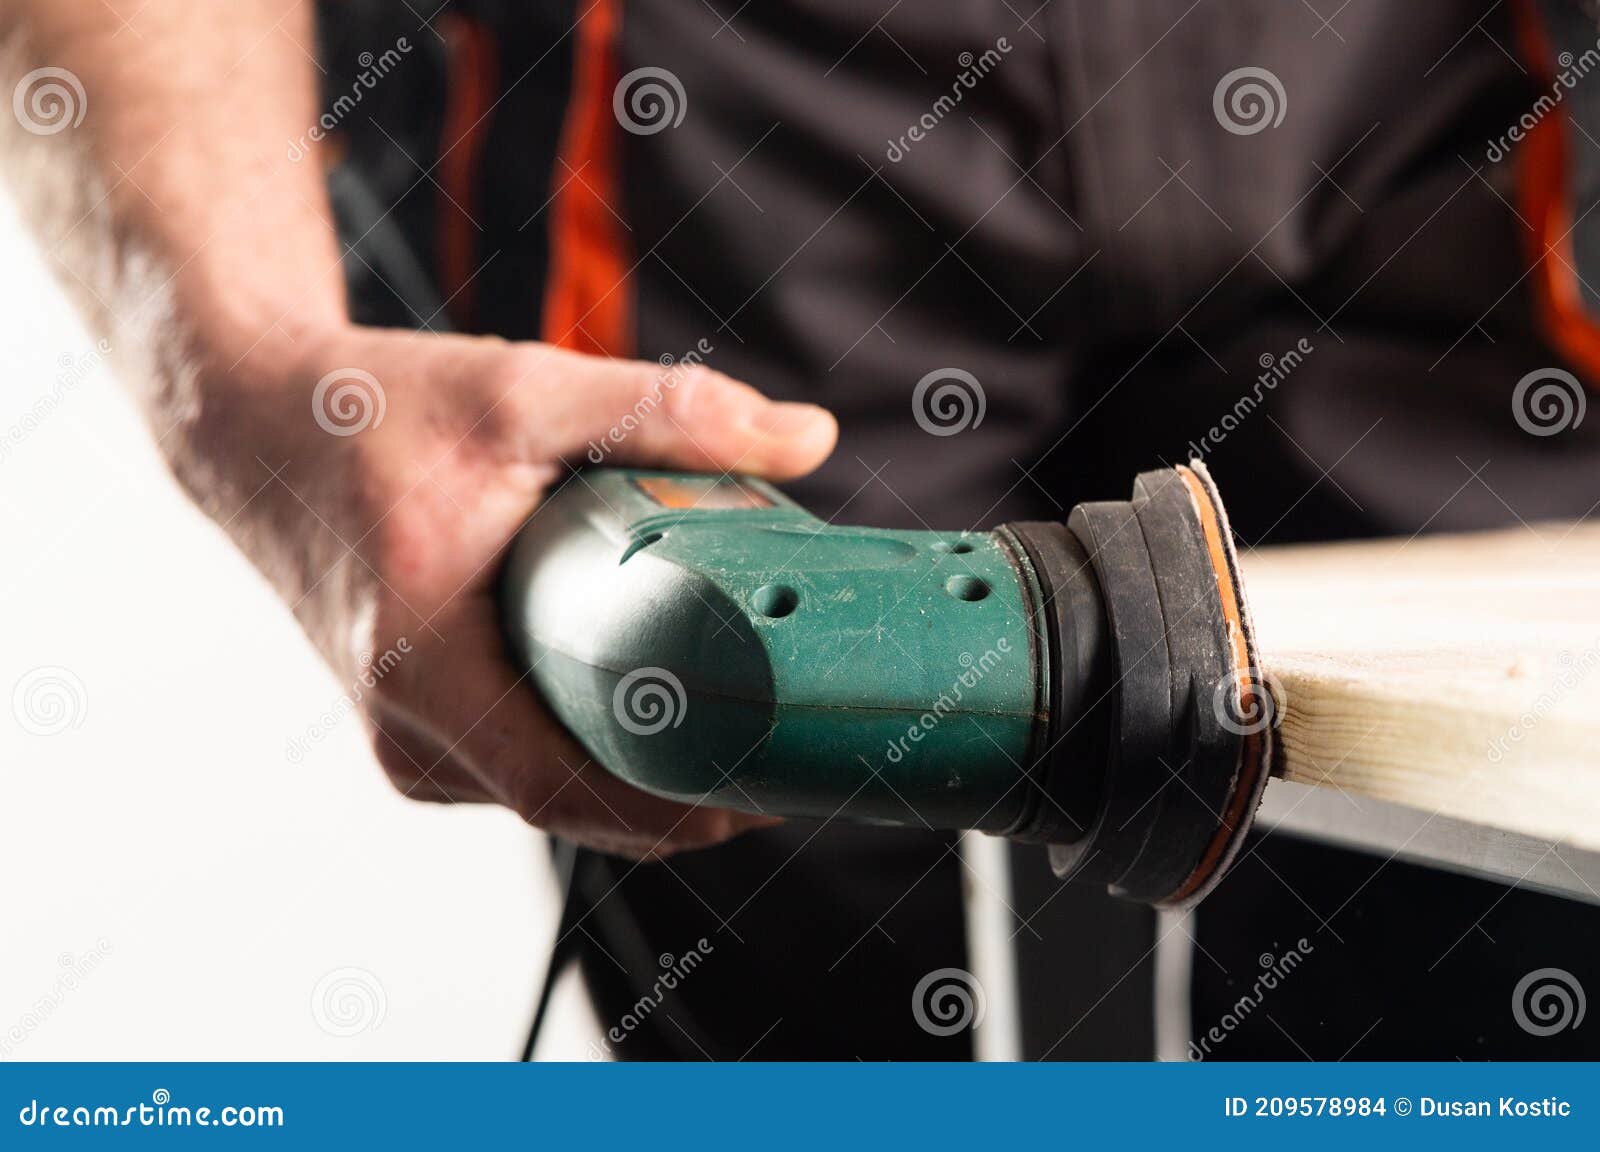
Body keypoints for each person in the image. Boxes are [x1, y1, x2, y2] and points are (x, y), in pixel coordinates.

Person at [4, 0, 1597, 1059]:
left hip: (1452, 83)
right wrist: (254, 372)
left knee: (1510, 947)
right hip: (710, 87)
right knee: (771, 839)